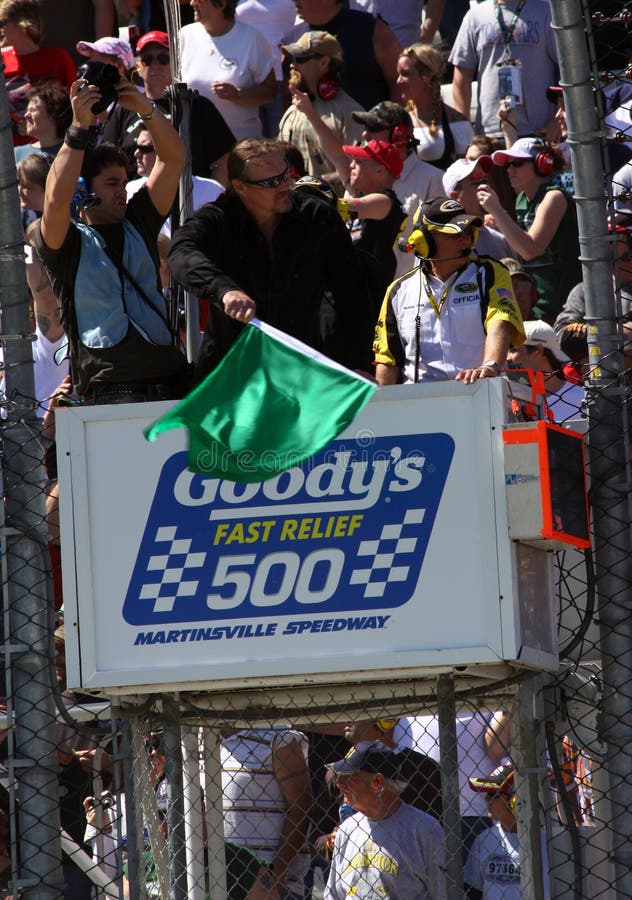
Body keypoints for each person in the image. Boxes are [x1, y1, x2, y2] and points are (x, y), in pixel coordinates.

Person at [34, 74, 189, 403]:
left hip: (169, 383)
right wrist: (79, 127)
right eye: (111, 184)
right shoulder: (67, 244)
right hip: (109, 392)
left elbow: (173, 158)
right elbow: (55, 200)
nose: (122, 191)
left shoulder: (139, 220)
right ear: (82, 192)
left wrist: (144, 108)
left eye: (123, 182)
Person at [167, 137, 370, 376]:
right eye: (272, 182)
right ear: (240, 187)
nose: (285, 186)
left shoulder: (317, 216)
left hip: (300, 368)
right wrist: (224, 290)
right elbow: (180, 251)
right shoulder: (218, 218)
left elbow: (350, 295)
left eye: (286, 175)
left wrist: (356, 364)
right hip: (234, 369)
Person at [373, 197, 525, 385]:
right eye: (455, 234)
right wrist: (382, 400)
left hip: (477, 389)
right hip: (418, 398)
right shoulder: (398, 290)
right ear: (424, 241)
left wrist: (489, 366)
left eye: (468, 232)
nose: (466, 240)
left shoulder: (490, 272)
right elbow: (387, 359)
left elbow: (500, 321)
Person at [102, 29, 235, 183]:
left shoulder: (197, 106)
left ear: (176, 64)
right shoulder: (125, 108)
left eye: (163, 59)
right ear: (138, 67)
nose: (155, 65)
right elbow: (109, 159)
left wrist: (213, 194)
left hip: (188, 193)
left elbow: (223, 160)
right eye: (147, 60)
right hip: (136, 194)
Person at [324, 741, 447, 899]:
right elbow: (333, 894)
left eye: (350, 777)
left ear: (377, 782)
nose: (339, 784)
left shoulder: (423, 829)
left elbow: (442, 893)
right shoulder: (347, 830)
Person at [477, 137, 581, 323]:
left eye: (517, 163)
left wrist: (497, 211)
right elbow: (521, 244)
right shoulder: (522, 199)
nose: (509, 170)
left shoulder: (554, 197)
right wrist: (499, 224)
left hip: (561, 302)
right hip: (537, 302)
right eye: (508, 164)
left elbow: (530, 249)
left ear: (542, 163)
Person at [351, 101, 444, 278]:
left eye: (373, 127)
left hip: (409, 289)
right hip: (368, 286)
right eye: (365, 127)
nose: (365, 134)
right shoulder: (361, 172)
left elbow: (439, 243)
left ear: (399, 135)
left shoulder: (433, 178)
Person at [221, 727, 313, 900]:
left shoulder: (279, 737)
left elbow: (301, 807)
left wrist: (274, 878)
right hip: (219, 881)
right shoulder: (198, 740)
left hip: (270, 887)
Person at [449, 0, 560, 141]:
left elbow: (569, 70)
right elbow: (461, 77)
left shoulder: (546, 11)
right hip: (490, 134)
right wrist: (465, 129)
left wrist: (558, 119)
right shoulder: (475, 16)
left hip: (538, 132)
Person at [179, 0, 276, 141]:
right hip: (196, 143)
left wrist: (238, 94)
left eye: (199, 0)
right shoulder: (185, 35)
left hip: (240, 144)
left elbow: (270, 91)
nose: (192, 3)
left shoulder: (251, 37)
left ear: (221, 4)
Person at [286, 0, 402, 112]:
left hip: (366, 123)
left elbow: (399, 80)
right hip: (311, 123)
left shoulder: (370, 28)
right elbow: (288, 91)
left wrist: (392, 119)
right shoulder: (294, 35)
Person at [278, 30, 363, 177]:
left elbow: (359, 172)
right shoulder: (292, 111)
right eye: (293, 59)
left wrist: (317, 187)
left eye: (300, 59)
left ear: (324, 62)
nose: (292, 65)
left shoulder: (350, 112)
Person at [464, 764, 550, 900]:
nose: (486, 799)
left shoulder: (545, 842)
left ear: (516, 800)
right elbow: (474, 891)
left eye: (494, 795)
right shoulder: (484, 840)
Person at [0, 0, 76, 145]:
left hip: (52, 145)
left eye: (2, 23)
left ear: (22, 23)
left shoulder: (57, 58)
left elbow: (74, 102)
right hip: (10, 149)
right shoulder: (1, 61)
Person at [126, 124, 224, 236]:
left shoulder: (212, 190)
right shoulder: (131, 189)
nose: (136, 153)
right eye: (136, 147)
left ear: (169, 150)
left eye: (144, 149)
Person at [341, 139, 405, 294]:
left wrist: (309, 198)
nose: (351, 166)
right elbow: (335, 156)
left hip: (370, 296)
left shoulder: (386, 201)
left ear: (380, 171)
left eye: (358, 161)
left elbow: (351, 207)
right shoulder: (362, 198)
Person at [396, 43, 473, 170]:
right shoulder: (399, 119)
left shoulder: (456, 122)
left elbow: (468, 170)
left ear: (427, 76)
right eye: (398, 74)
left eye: (406, 74)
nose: (398, 81)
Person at [236, 0, 297, 137]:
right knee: (253, 139)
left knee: (281, 136)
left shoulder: (289, 3)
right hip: (247, 78)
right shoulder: (239, 2)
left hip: (280, 76)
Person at [506, 320, 584, 422]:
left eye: (513, 350)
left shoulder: (582, 400)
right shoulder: (505, 400)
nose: (506, 358)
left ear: (538, 350)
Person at [442, 156, 511, 259]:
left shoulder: (501, 239)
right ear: (455, 197)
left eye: (485, 180)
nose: (485, 187)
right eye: (477, 182)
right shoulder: (442, 244)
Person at [13, 81, 72, 163]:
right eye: (27, 110)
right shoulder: (16, 154)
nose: (26, 115)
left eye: (33, 110)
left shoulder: (73, 151)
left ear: (53, 113)